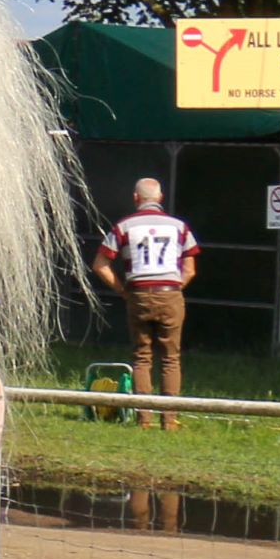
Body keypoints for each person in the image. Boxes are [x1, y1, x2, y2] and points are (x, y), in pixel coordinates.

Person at [96, 176, 198, 428]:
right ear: (160, 198)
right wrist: (173, 289)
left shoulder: (124, 227)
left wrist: (124, 291)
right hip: (170, 293)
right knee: (170, 358)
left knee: (142, 357)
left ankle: (144, 420)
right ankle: (170, 421)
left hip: (138, 295)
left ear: (135, 198)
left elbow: (100, 265)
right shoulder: (179, 227)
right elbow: (190, 269)